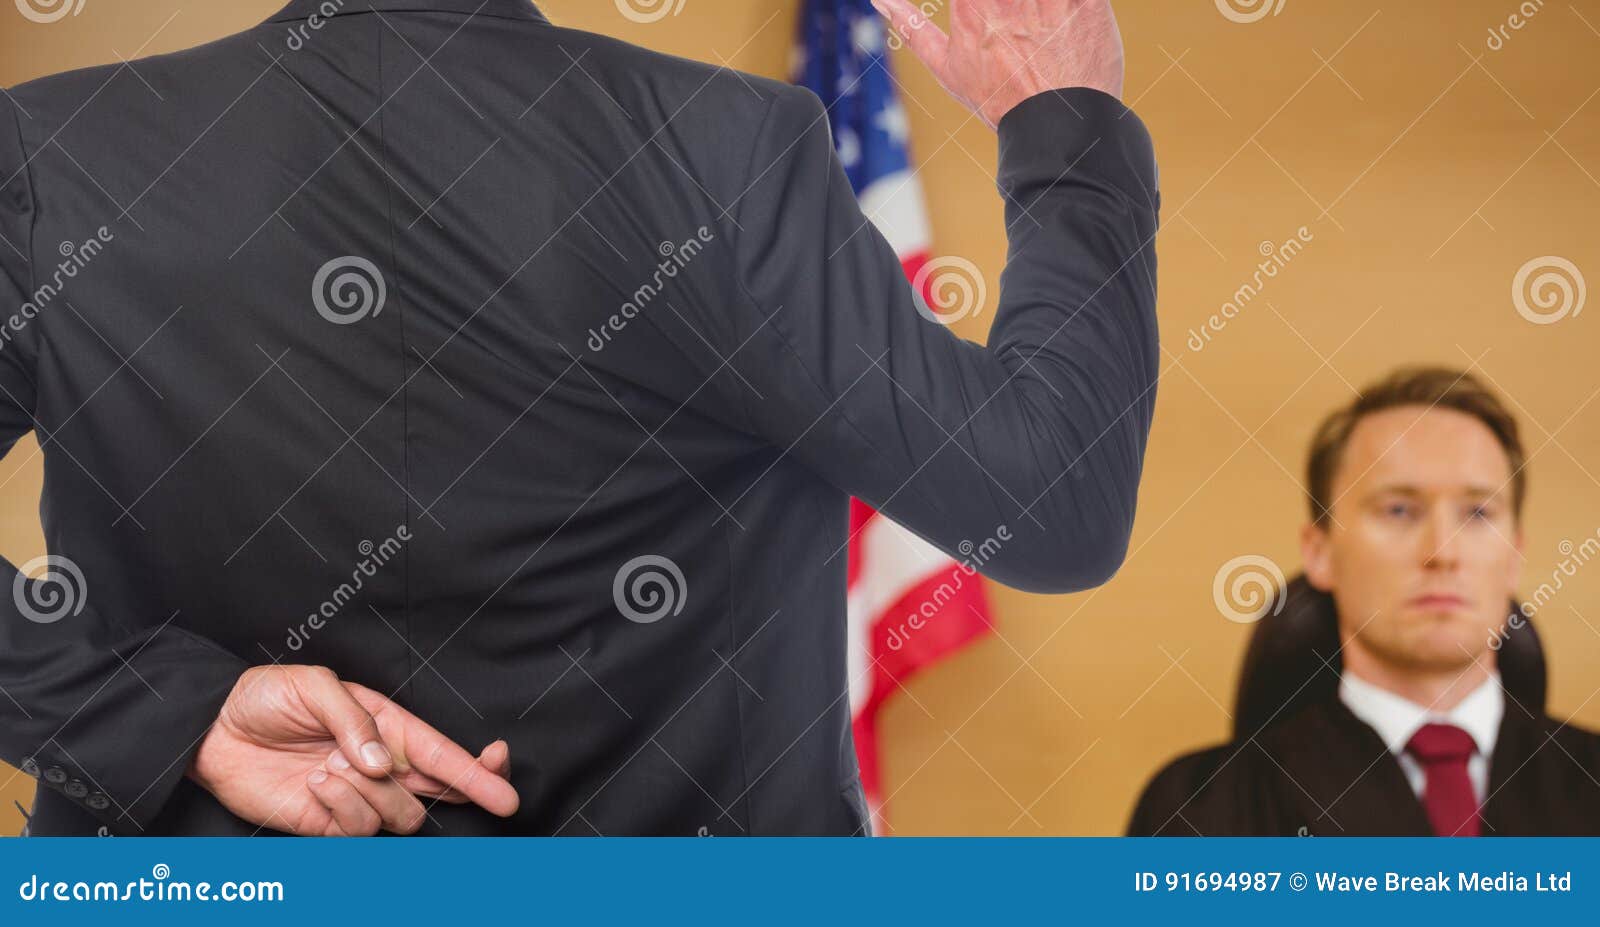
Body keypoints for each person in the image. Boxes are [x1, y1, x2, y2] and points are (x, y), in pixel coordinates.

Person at [0, 0, 1159, 835]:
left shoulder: (52, 158)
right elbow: (1046, 500)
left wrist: (158, 718)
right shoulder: (723, 152)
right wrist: (1066, 130)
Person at [1130, 367, 1600, 836]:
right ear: (1320, 551)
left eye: (1477, 513)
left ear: (1515, 555)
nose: (1443, 551)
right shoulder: (1199, 812)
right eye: (1398, 510)